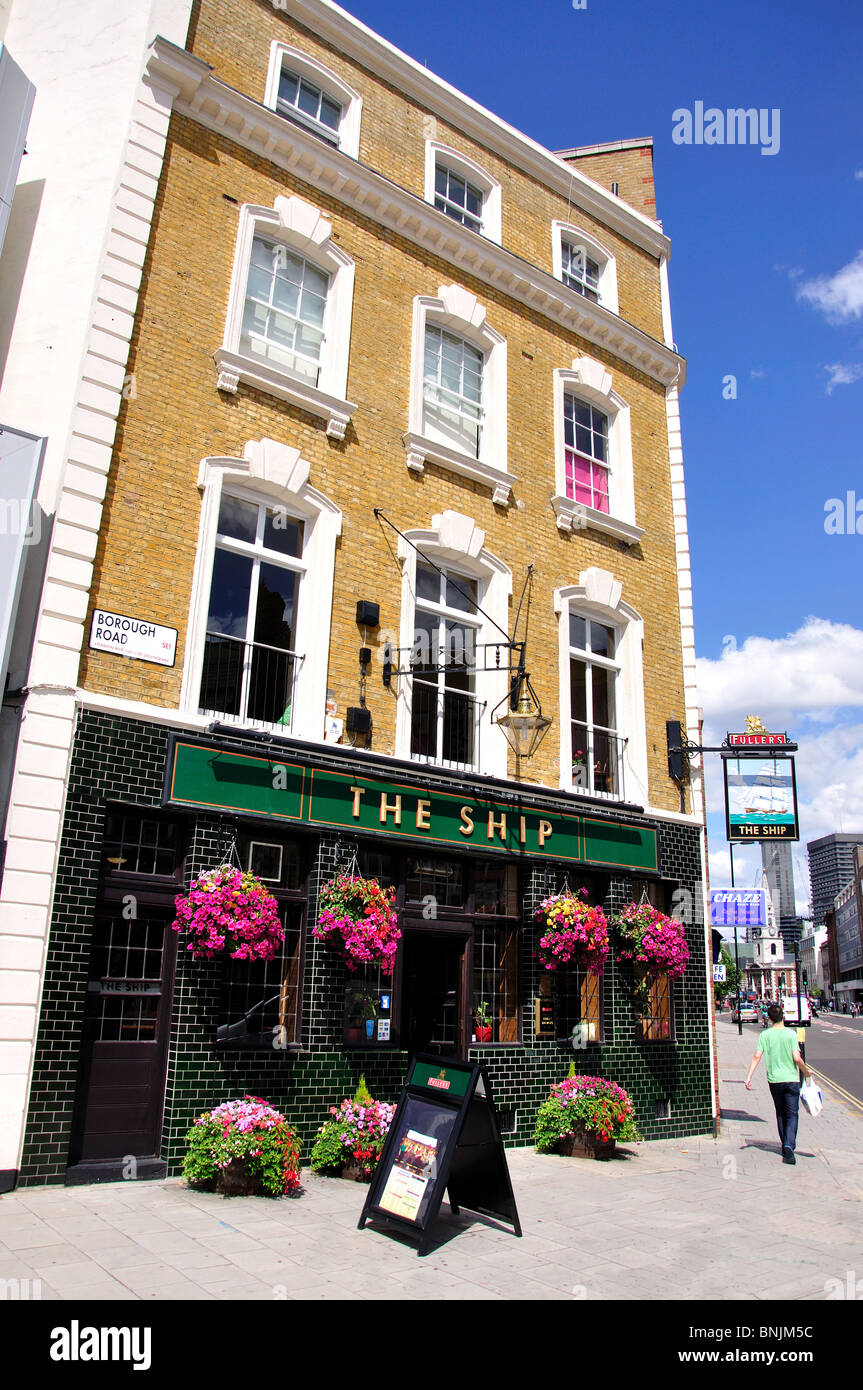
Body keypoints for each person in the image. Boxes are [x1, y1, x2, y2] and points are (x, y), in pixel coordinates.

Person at [745, 1003, 813, 1164]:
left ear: (768, 1018)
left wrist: (749, 1076)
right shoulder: (790, 1034)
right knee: (792, 1114)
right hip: (791, 1079)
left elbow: (756, 1056)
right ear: (783, 1016)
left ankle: (785, 1145)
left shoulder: (765, 1035)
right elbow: (797, 1058)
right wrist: (806, 1071)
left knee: (780, 1113)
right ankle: (789, 1145)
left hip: (774, 1080)